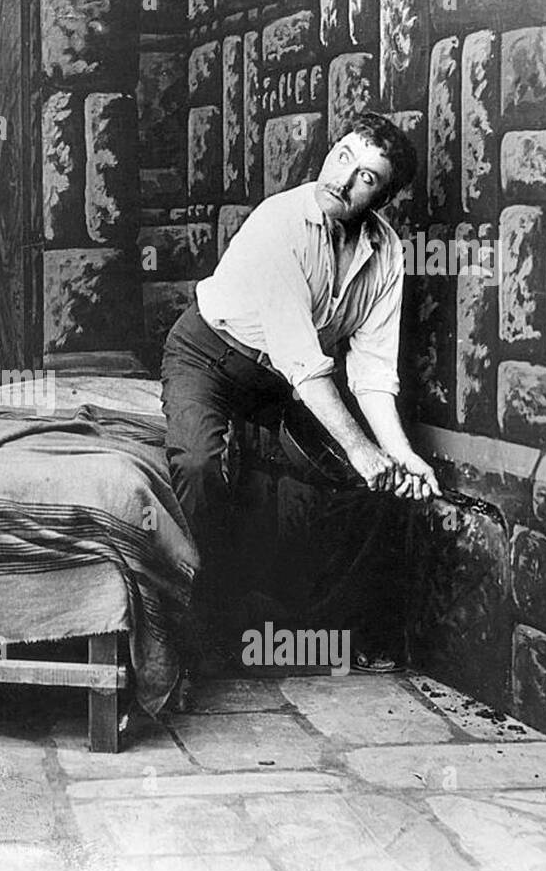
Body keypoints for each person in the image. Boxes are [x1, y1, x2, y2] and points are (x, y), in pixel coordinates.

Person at [160, 112, 441, 680]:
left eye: (366, 176)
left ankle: (303, 636)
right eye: (342, 156)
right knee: (198, 464)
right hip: (208, 355)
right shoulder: (278, 223)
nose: (342, 178)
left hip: (281, 382)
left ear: (382, 198)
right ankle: (195, 631)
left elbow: (372, 374)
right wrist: (364, 450)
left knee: (362, 484)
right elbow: (306, 365)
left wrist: (397, 454)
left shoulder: (386, 254)